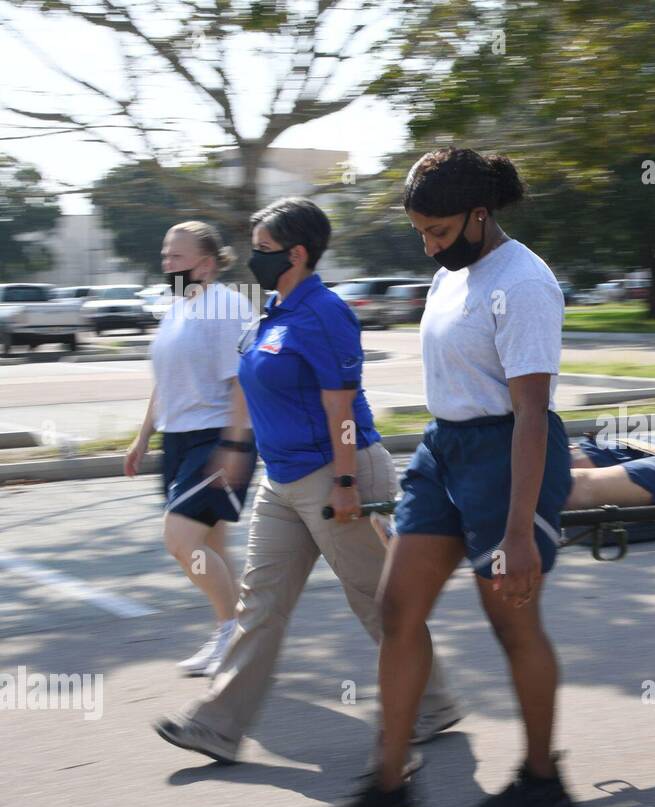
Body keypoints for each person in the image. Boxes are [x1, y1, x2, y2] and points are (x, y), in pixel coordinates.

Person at [318, 149, 572, 807]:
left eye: (437, 231)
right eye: (419, 232)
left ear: (479, 214)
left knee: (511, 621)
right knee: (398, 609)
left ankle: (544, 777)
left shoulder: (523, 282)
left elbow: (529, 413)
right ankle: (391, 785)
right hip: (445, 449)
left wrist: (519, 533)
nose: (429, 245)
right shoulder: (450, 275)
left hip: (507, 455)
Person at [154, 197, 460, 762]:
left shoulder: (324, 312)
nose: (254, 258)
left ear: (297, 253)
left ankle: (434, 703)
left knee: (376, 601)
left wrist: (346, 484)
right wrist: (235, 448)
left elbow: (340, 406)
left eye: (264, 250)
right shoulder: (273, 308)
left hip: (336, 476)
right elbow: (249, 386)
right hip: (282, 480)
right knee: (259, 604)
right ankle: (217, 727)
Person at [125, 221, 257, 677]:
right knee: (211, 545)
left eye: (176, 257)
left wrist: (235, 447)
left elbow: (241, 382)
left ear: (205, 263)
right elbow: (164, 383)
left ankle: (231, 632)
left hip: (217, 437)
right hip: (178, 439)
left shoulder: (225, 307)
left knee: (181, 541)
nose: (167, 263)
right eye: (165, 255)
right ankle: (236, 635)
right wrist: (143, 437)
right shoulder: (176, 308)